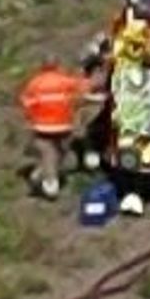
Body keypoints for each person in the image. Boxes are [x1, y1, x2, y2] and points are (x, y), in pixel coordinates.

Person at [20, 56, 98, 199]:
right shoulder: (65, 81)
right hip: (62, 124)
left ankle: (47, 178)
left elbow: (27, 104)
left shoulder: (34, 83)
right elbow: (84, 89)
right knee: (59, 150)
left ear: (42, 66)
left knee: (48, 151)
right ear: (57, 65)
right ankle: (47, 177)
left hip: (41, 126)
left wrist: (31, 119)